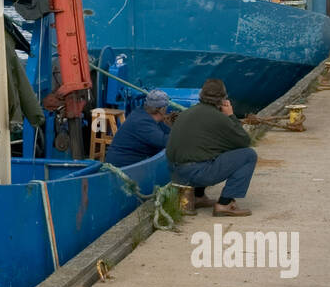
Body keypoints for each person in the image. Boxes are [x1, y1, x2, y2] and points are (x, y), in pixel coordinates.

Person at [166, 78, 257, 216]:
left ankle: (198, 196)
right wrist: (231, 115)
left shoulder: (186, 113)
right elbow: (244, 141)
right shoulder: (218, 118)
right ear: (223, 99)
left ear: (201, 96)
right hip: (194, 174)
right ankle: (225, 204)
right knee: (249, 155)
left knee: (207, 149)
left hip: (176, 174)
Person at [104, 88, 173, 166]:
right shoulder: (142, 122)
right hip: (122, 167)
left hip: (132, 163)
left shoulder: (142, 113)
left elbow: (168, 132)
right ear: (162, 109)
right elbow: (164, 142)